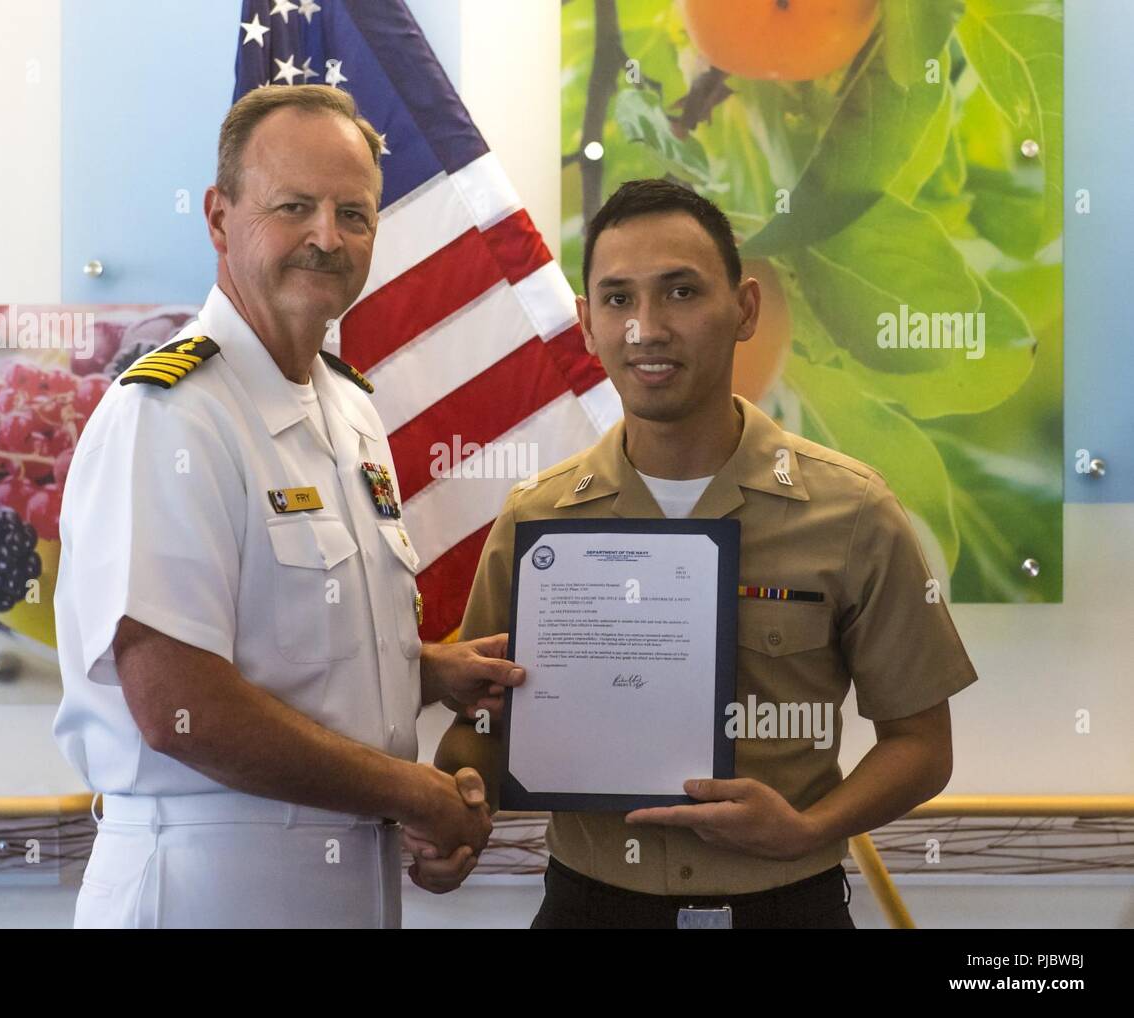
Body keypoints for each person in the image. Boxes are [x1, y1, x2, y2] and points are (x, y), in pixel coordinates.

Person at [434, 178, 979, 929]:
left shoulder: (852, 512)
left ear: (745, 309)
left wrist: (811, 828)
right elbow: (484, 720)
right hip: (591, 907)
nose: (647, 328)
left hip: (788, 907)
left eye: (682, 292)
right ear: (587, 324)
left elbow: (922, 744)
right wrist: (455, 797)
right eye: (619, 300)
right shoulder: (538, 519)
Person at [52, 84, 522, 929]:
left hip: (345, 878)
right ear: (218, 216)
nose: (326, 237)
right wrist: (412, 791)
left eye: (354, 214)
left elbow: (294, 643)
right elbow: (179, 708)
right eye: (294, 206)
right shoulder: (168, 413)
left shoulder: (350, 411)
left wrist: (424, 670)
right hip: (206, 885)